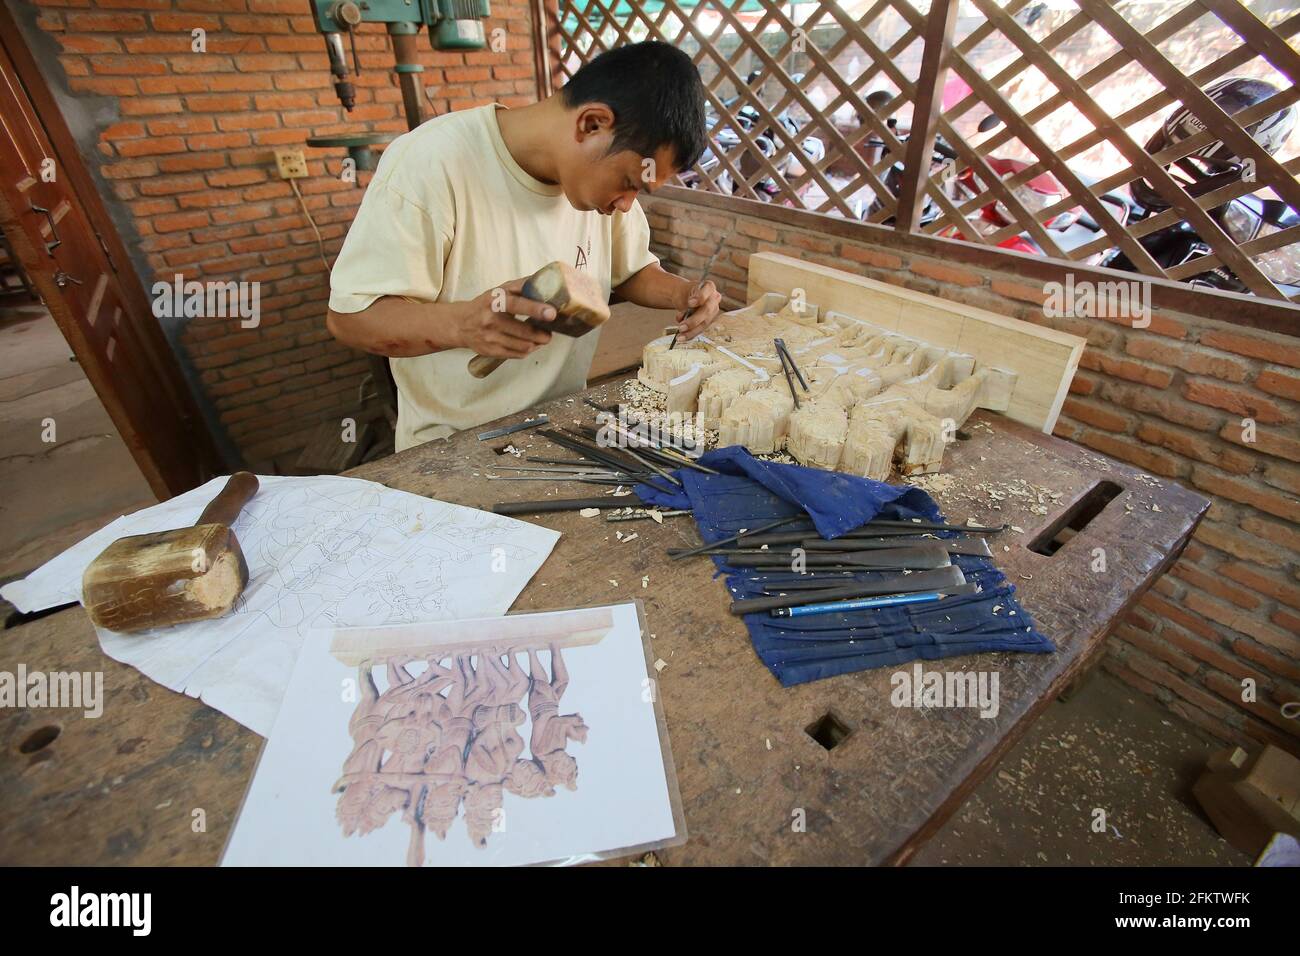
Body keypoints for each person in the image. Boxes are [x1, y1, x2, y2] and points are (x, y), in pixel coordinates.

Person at [327, 41, 723, 451]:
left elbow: (632, 271)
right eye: (630, 183)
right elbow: (350, 319)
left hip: (564, 426)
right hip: (453, 446)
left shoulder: (600, 192)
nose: (627, 204)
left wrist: (683, 292)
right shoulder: (431, 164)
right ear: (591, 124)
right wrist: (462, 324)